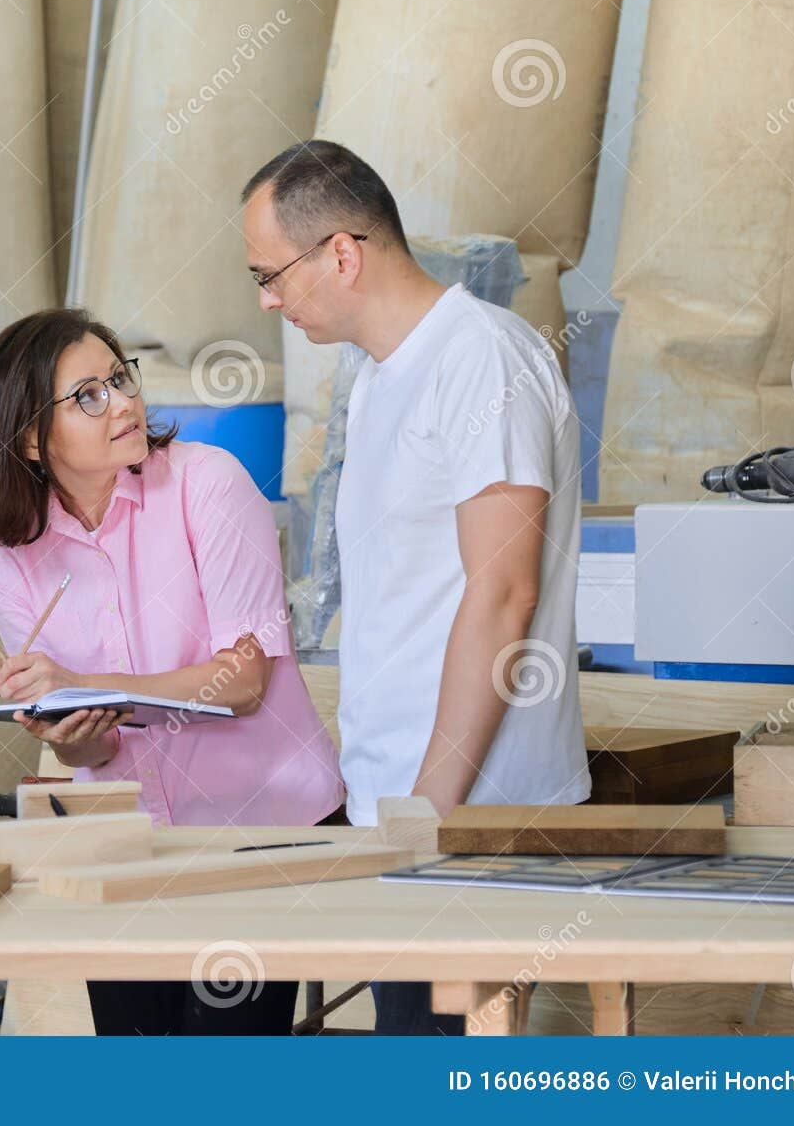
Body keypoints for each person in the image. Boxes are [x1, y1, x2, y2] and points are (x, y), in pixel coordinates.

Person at [241, 140, 590, 1035]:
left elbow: (503, 591)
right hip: (406, 814)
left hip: (472, 821)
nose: (268, 300)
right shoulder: (377, 380)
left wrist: (431, 812)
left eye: (271, 275)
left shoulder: (483, 359)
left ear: (343, 254)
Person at [0, 307, 345, 1035]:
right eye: (90, 395)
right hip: (129, 844)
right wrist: (68, 727)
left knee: (225, 1080)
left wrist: (87, 683)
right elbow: (93, 749)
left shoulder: (208, 485)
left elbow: (242, 681)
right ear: (31, 438)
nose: (126, 401)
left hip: (260, 832)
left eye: (120, 377)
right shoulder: (7, 558)